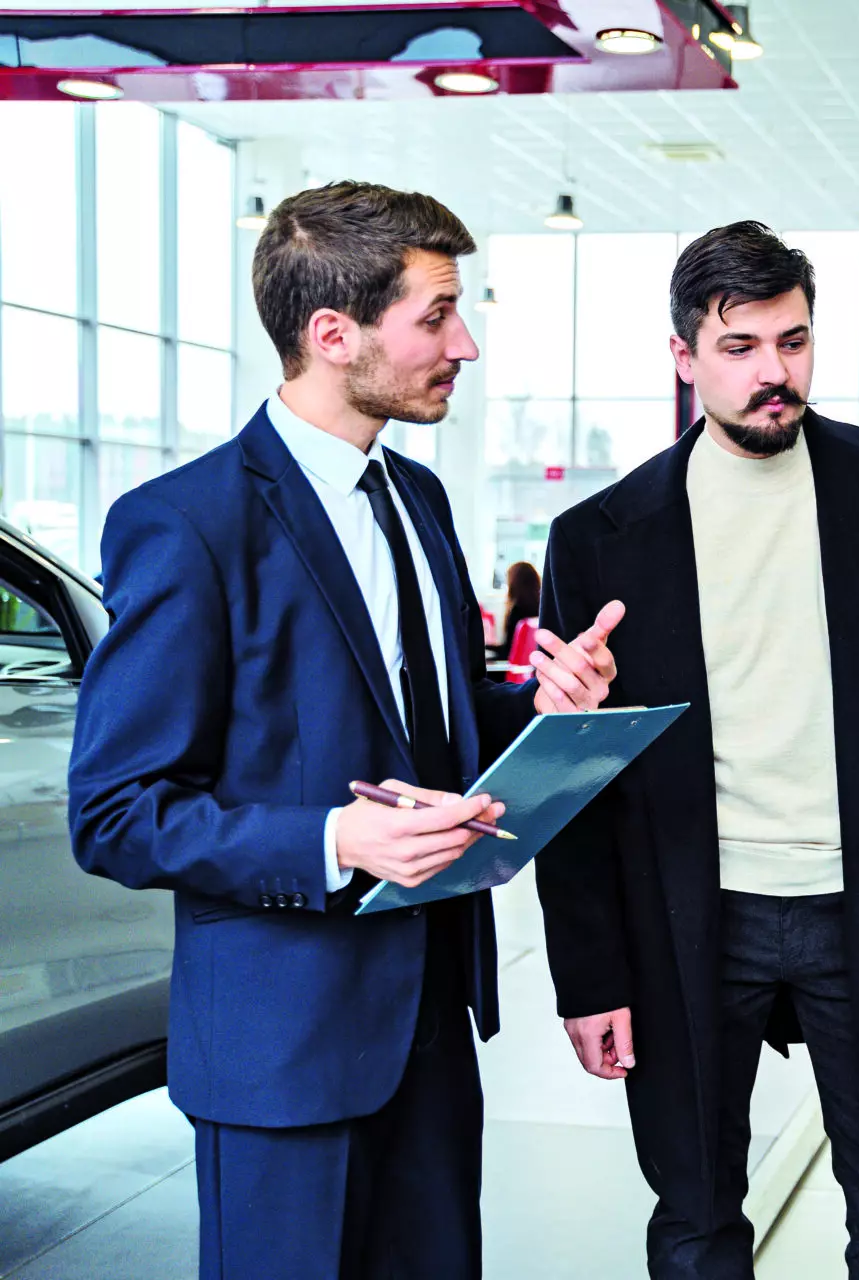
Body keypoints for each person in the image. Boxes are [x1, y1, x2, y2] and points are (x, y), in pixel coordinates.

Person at [66, 181, 623, 1280]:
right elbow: (117, 812)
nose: (462, 344)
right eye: (435, 316)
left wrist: (543, 705)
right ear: (333, 334)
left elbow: (432, 728)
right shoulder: (187, 523)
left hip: (428, 1017)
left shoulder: (416, 500)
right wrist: (333, 841)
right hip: (281, 1041)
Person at [535, 221, 859, 1279]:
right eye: (740, 347)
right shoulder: (599, 535)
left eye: (794, 341)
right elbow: (574, 779)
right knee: (693, 1208)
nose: (774, 372)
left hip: (858, 912)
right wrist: (588, 976)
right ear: (684, 357)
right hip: (692, 917)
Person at [488, 559, 541, 658]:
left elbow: (509, 651)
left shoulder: (517, 611)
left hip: (511, 667)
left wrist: (485, 646)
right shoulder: (539, 609)